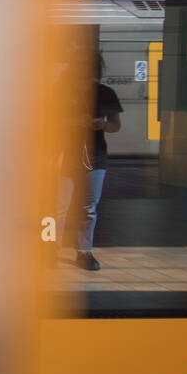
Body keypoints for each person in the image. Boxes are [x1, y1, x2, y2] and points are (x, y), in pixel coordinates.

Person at [57, 53, 123, 270]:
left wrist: (102, 125)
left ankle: (84, 252)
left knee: (88, 207)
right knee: (57, 206)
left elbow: (116, 125)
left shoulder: (105, 94)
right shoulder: (62, 90)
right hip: (63, 155)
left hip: (94, 157)